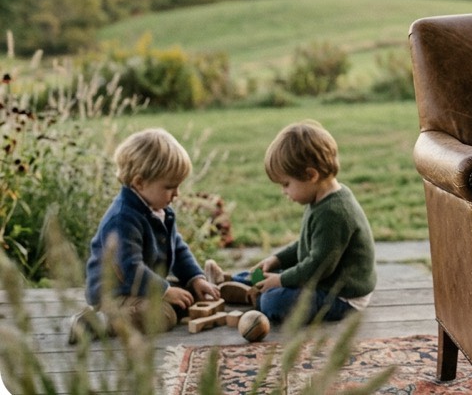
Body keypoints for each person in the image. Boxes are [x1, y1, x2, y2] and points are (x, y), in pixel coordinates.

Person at [72, 128, 220, 343]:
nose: (176, 194)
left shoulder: (160, 210)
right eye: (169, 187)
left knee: (189, 297)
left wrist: (195, 277)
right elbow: (129, 269)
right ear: (139, 183)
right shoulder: (122, 218)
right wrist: (165, 291)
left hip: (142, 287)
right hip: (116, 294)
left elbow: (177, 248)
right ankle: (97, 322)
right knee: (165, 314)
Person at [237, 119, 377, 325]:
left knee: (273, 302)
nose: (283, 191)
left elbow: (318, 266)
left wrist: (280, 280)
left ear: (311, 175)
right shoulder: (321, 201)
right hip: (318, 280)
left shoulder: (334, 213)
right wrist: (276, 260)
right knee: (255, 275)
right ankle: (236, 285)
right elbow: (305, 245)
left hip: (340, 295)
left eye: (286, 184)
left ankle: (254, 294)